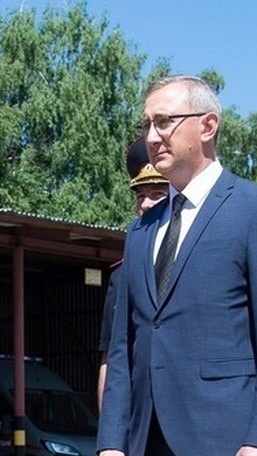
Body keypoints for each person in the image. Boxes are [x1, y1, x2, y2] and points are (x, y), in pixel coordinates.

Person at [94, 75, 257, 456]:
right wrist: (111, 440)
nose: (152, 136)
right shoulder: (140, 233)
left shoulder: (256, 211)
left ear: (208, 125)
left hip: (226, 449)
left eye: (165, 122)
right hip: (146, 450)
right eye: (147, 124)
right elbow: (123, 346)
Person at [97, 138, 168, 410]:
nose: (146, 204)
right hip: (140, 417)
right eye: (140, 195)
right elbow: (112, 357)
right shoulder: (123, 273)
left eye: (157, 194)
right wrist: (109, 436)